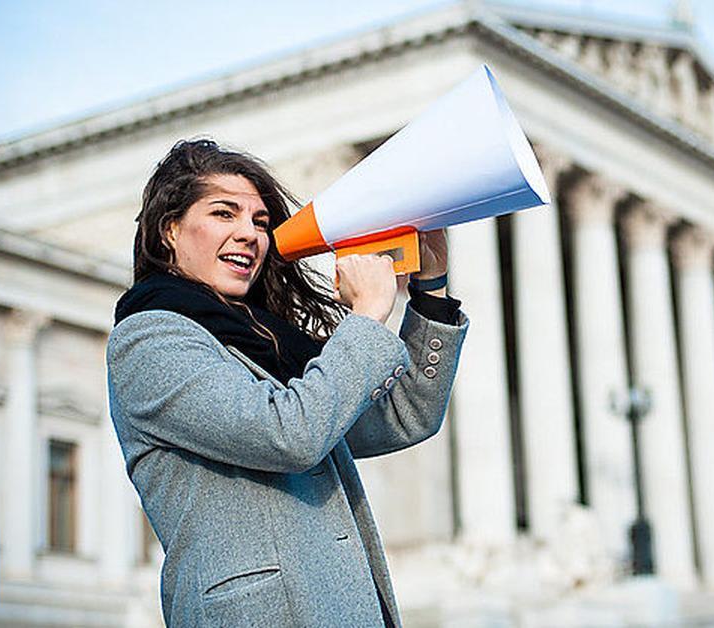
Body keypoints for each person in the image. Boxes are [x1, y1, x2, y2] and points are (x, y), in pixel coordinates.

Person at [106, 138, 467, 627]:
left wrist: (432, 291)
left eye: (259, 222)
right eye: (223, 214)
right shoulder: (149, 339)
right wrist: (365, 316)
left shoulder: (271, 341)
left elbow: (406, 415)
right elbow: (289, 434)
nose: (249, 234)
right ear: (170, 230)